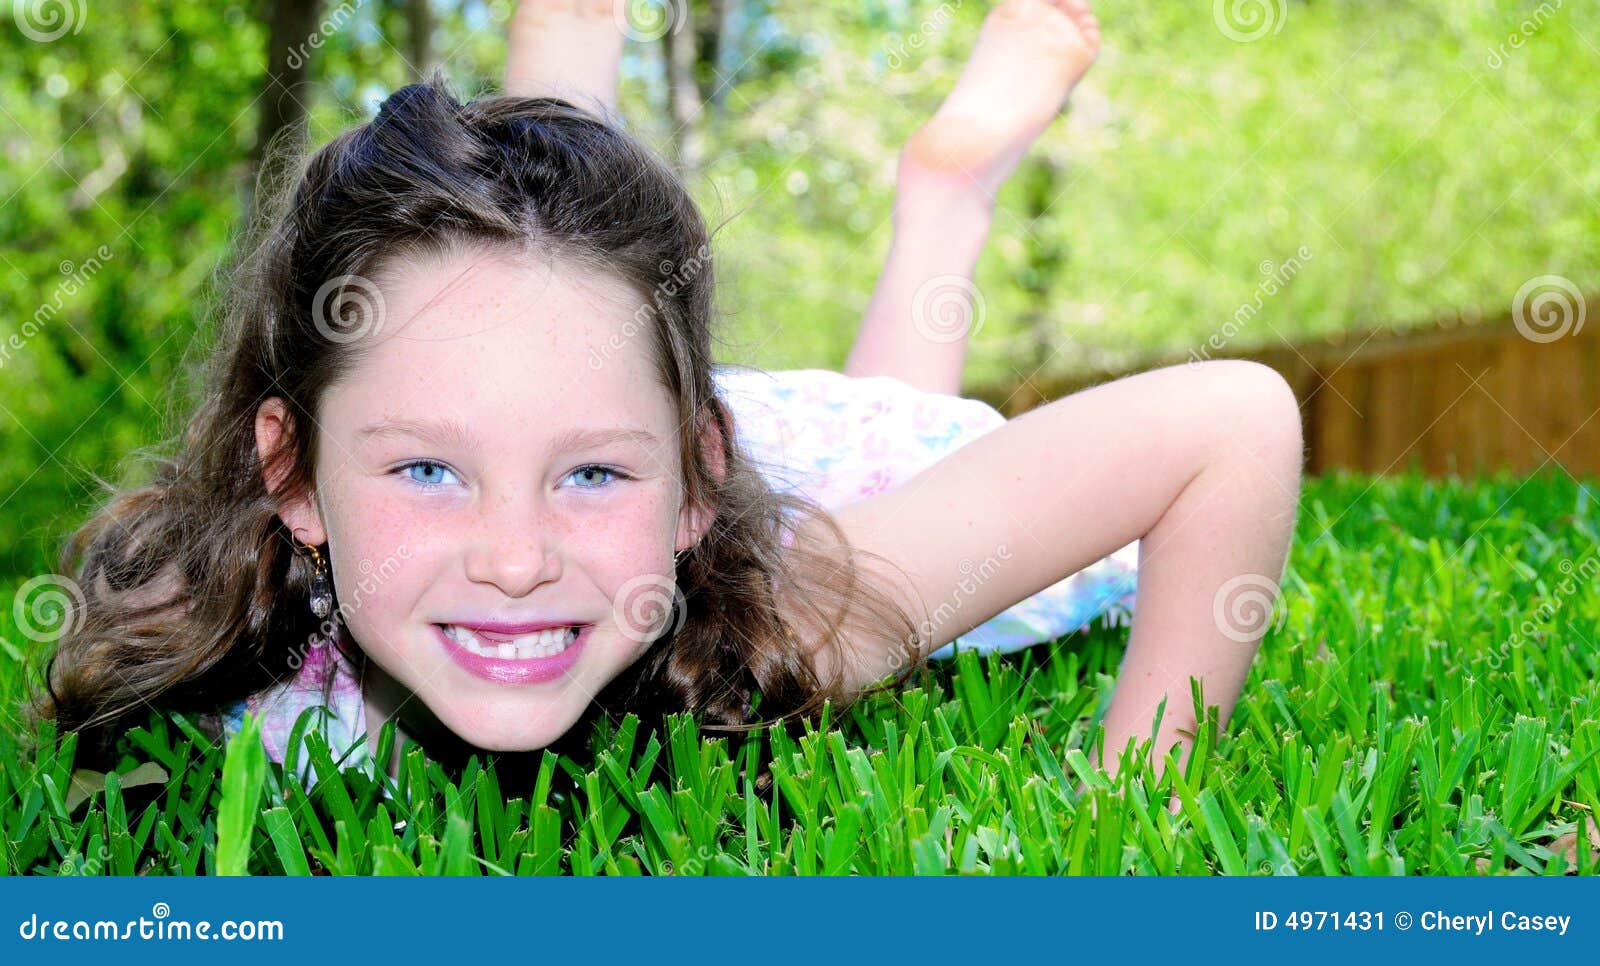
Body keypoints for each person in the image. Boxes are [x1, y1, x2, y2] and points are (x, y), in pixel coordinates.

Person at [36, 1, 1301, 802]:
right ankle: (575, 68)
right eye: (424, 471)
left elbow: (1232, 419)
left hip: (808, 480)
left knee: (891, 428)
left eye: (587, 480)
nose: (515, 564)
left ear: (700, 482)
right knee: (547, 280)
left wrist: (1138, 791)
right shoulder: (197, 635)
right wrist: (587, 466)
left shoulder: (792, 615)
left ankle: (950, 187)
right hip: (608, 403)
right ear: (291, 474)